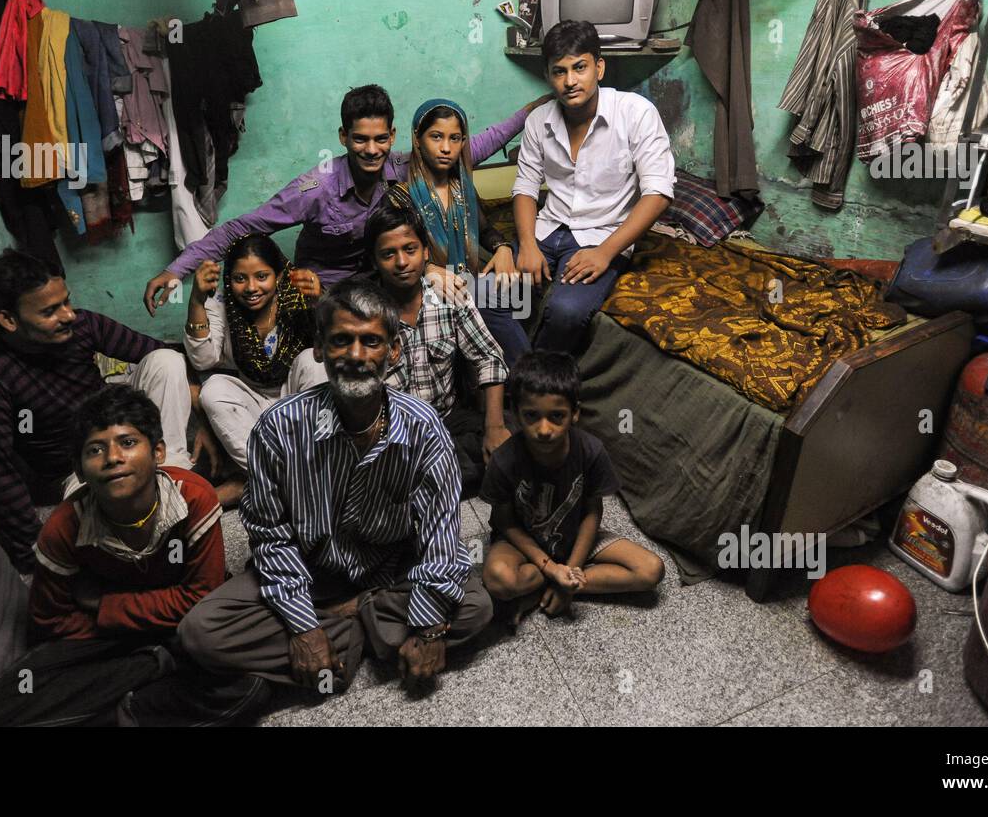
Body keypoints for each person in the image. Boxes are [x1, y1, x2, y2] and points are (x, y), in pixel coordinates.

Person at [178, 279, 493, 696]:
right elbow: (270, 537)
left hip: (390, 570)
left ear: (393, 351)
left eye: (372, 342)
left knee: (475, 605)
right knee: (200, 632)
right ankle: (352, 633)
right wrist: (303, 625)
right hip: (313, 574)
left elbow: (438, 535)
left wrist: (430, 626)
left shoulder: (423, 427)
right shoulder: (279, 428)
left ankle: (344, 630)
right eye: (342, 341)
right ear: (320, 350)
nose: (356, 356)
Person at [0, 387, 268, 726]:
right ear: (79, 471)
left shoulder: (194, 498)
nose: (113, 458)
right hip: (115, 639)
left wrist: (105, 605)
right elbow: (50, 619)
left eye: (127, 443)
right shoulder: (63, 529)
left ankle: (128, 710)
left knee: (248, 681)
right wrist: (133, 636)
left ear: (158, 453)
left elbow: (200, 595)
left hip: (179, 624)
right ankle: (149, 669)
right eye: (95, 449)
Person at [144, 84, 547, 315]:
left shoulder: (406, 166)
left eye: (379, 139)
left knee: (481, 297)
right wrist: (177, 269)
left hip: (388, 279)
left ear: (391, 137)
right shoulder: (317, 187)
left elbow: (479, 144)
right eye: (359, 139)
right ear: (343, 137)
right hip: (326, 292)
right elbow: (244, 227)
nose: (371, 150)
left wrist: (537, 108)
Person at [0, 249, 218, 572]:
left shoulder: (80, 325)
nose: (69, 315)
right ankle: (176, 481)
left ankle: (171, 461)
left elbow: (154, 351)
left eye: (66, 301)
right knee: (130, 516)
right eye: (51, 310)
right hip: (75, 473)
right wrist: (34, 559)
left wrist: (206, 422)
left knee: (168, 361)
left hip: (115, 425)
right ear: (8, 319)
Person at [512, 20, 676, 353]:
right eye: (559, 72)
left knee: (566, 310)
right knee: (494, 293)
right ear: (548, 76)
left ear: (599, 68)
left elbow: (658, 194)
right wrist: (527, 244)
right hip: (547, 229)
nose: (570, 81)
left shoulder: (636, 113)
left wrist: (605, 252)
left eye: (579, 68)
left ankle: (536, 383)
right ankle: (512, 374)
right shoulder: (538, 121)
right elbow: (526, 187)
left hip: (602, 234)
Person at [481, 351, 665, 623]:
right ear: (516, 413)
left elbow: (592, 512)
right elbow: (504, 522)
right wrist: (551, 567)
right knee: (499, 578)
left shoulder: (591, 451)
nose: (544, 429)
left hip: (574, 536)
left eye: (557, 416)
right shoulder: (504, 460)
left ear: (575, 413)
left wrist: (572, 568)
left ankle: (557, 588)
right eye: (532, 415)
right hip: (524, 543)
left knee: (651, 570)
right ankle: (556, 581)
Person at [388, 97, 549, 363]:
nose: (445, 148)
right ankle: (530, 376)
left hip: (464, 278)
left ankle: (504, 373)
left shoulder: (461, 185)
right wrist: (427, 269)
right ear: (417, 139)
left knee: (525, 288)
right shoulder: (400, 197)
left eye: (455, 139)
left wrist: (503, 248)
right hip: (422, 291)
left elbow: (484, 228)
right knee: (486, 299)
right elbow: (388, 256)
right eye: (436, 137)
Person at [364, 200, 510, 492]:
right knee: (377, 472)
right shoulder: (364, 312)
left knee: (512, 444)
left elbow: (488, 357)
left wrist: (495, 428)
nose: (402, 262)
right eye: (388, 254)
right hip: (393, 432)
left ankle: (437, 476)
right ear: (374, 261)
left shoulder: (448, 296)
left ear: (426, 252)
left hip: (448, 420)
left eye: (410, 249)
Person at [185, 232, 320, 475]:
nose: (251, 288)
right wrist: (196, 300)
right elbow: (203, 359)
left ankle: (307, 465)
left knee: (313, 360)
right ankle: (273, 475)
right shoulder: (222, 306)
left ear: (278, 276)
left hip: (298, 402)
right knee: (213, 388)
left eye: (261, 276)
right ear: (228, 279)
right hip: (252, 406)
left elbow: (336, 347)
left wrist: (319, 303)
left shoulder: (301, 298)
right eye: (239, 278)